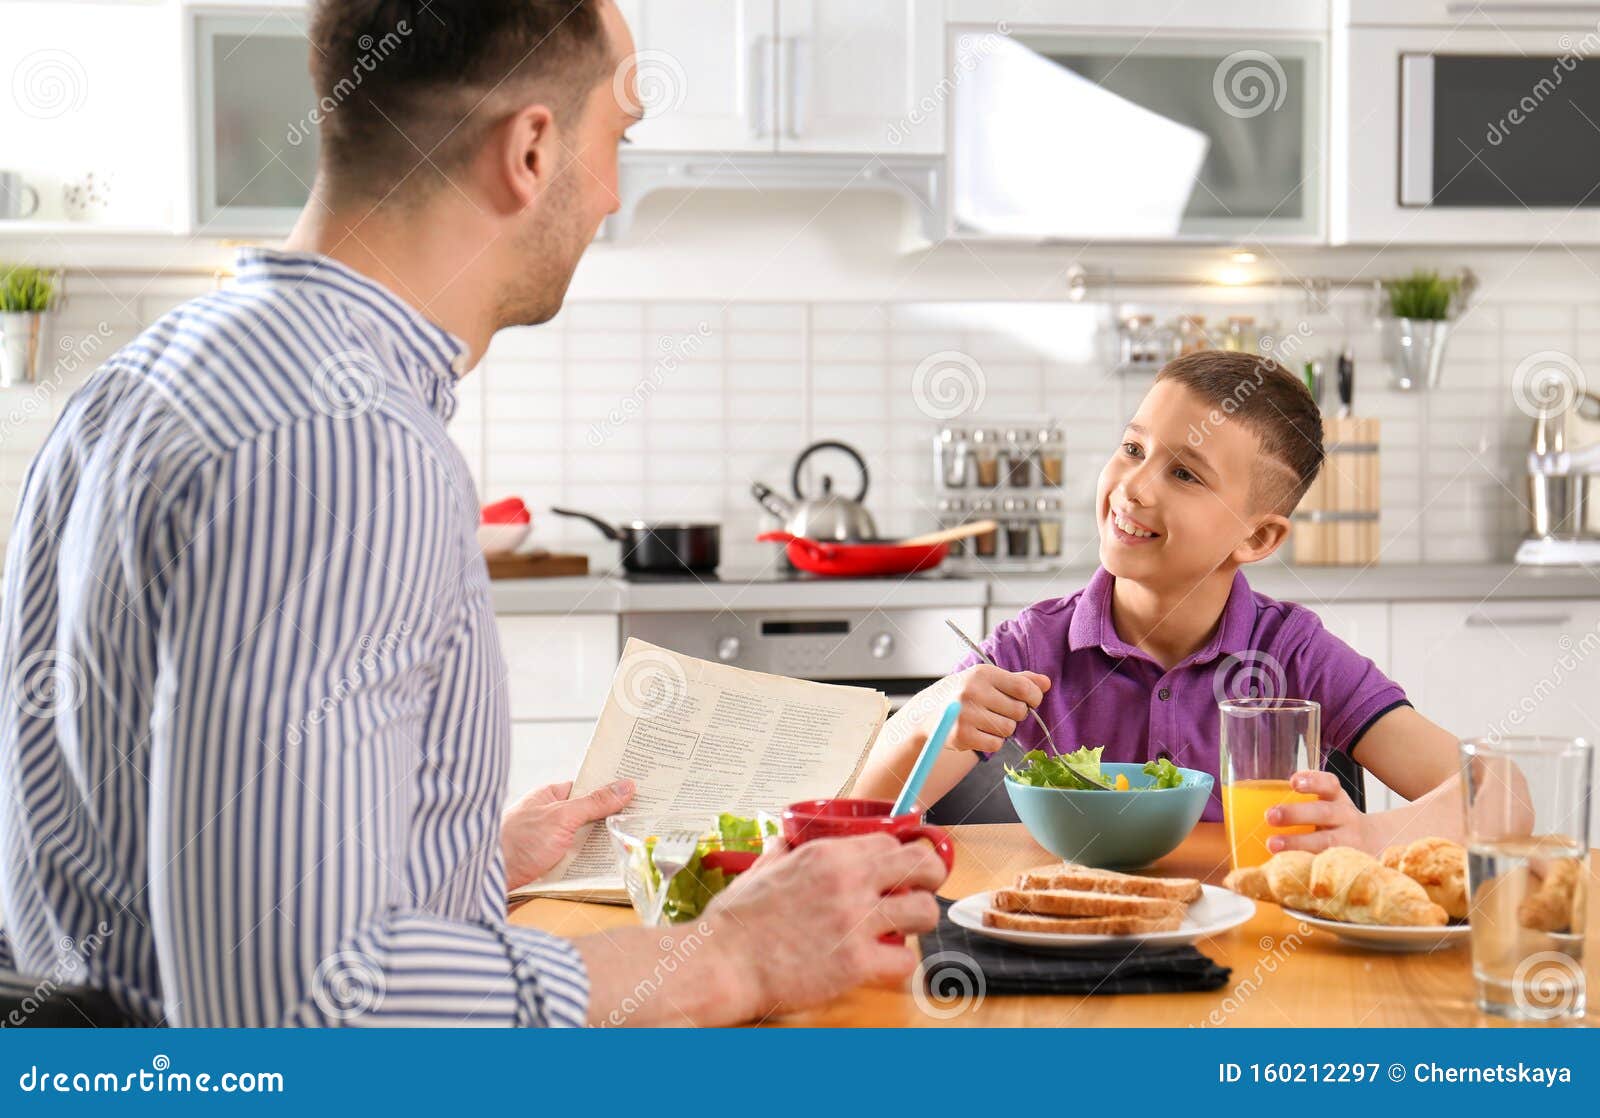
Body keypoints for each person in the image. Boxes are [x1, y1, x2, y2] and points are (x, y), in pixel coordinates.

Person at [0, 0, 945, 1027]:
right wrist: (730, 955)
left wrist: (463, 855)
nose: (612, 194)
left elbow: (154, 875)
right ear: (531, 148)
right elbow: (297, 1010)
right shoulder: (340, 443)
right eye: (616, 138)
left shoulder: (144, 381)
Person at [855, 351, 1467, 855]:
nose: (1134, 488)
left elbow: (1498, 796)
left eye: (1186, 475)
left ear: (1256, 537)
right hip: (1072, 942)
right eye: (1133, 448)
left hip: (1255, 955)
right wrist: (923, 718)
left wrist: (1370, 834)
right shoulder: (1031, 647)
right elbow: (857, 821)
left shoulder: (1293, 655)